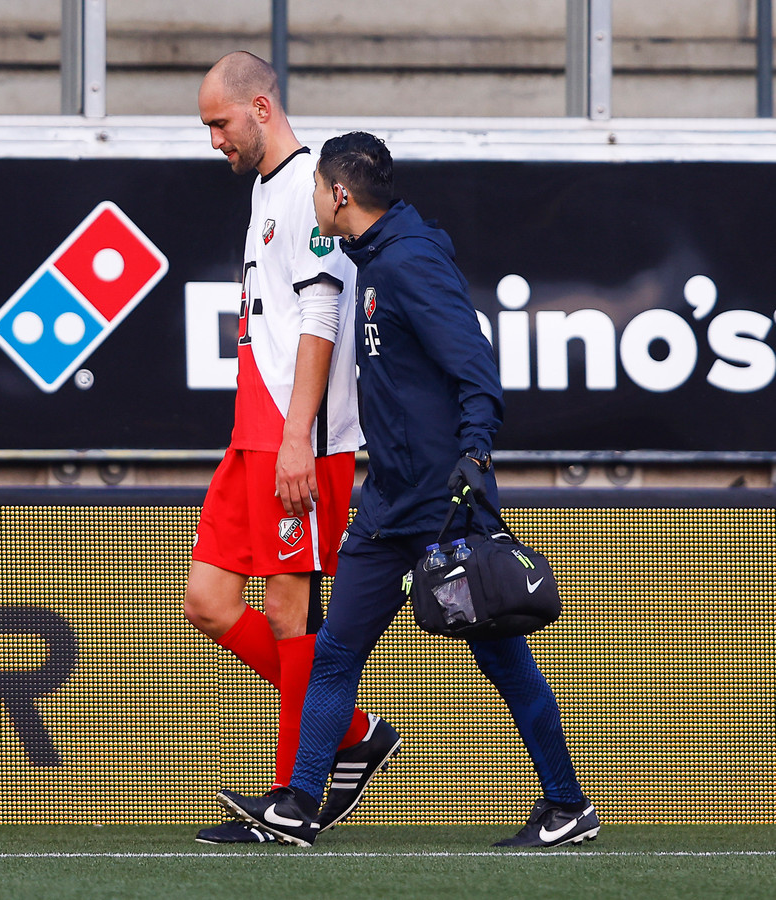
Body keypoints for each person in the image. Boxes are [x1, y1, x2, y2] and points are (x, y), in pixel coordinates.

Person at [216, 131, 600, 849]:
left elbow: (476, 370)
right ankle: (300, 803)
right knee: (334, 653)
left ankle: (566, 803)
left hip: (444, 508)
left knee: (503, 658)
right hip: (387, 501)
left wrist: (475, 459)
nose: (313, 206)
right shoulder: (375, 260)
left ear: (338, 196)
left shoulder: (412, 261)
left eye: (317, 193)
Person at [187, 55, 402, 845]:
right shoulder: (268, 189)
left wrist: (296, 441)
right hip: (254, 434)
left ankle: (291, 800)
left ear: (262, 107)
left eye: (221, 123)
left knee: (289, 617)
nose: (214, 140)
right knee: (207, 602)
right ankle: (352, 730)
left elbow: (322, 315)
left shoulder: (311, 186)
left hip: (295, 440)